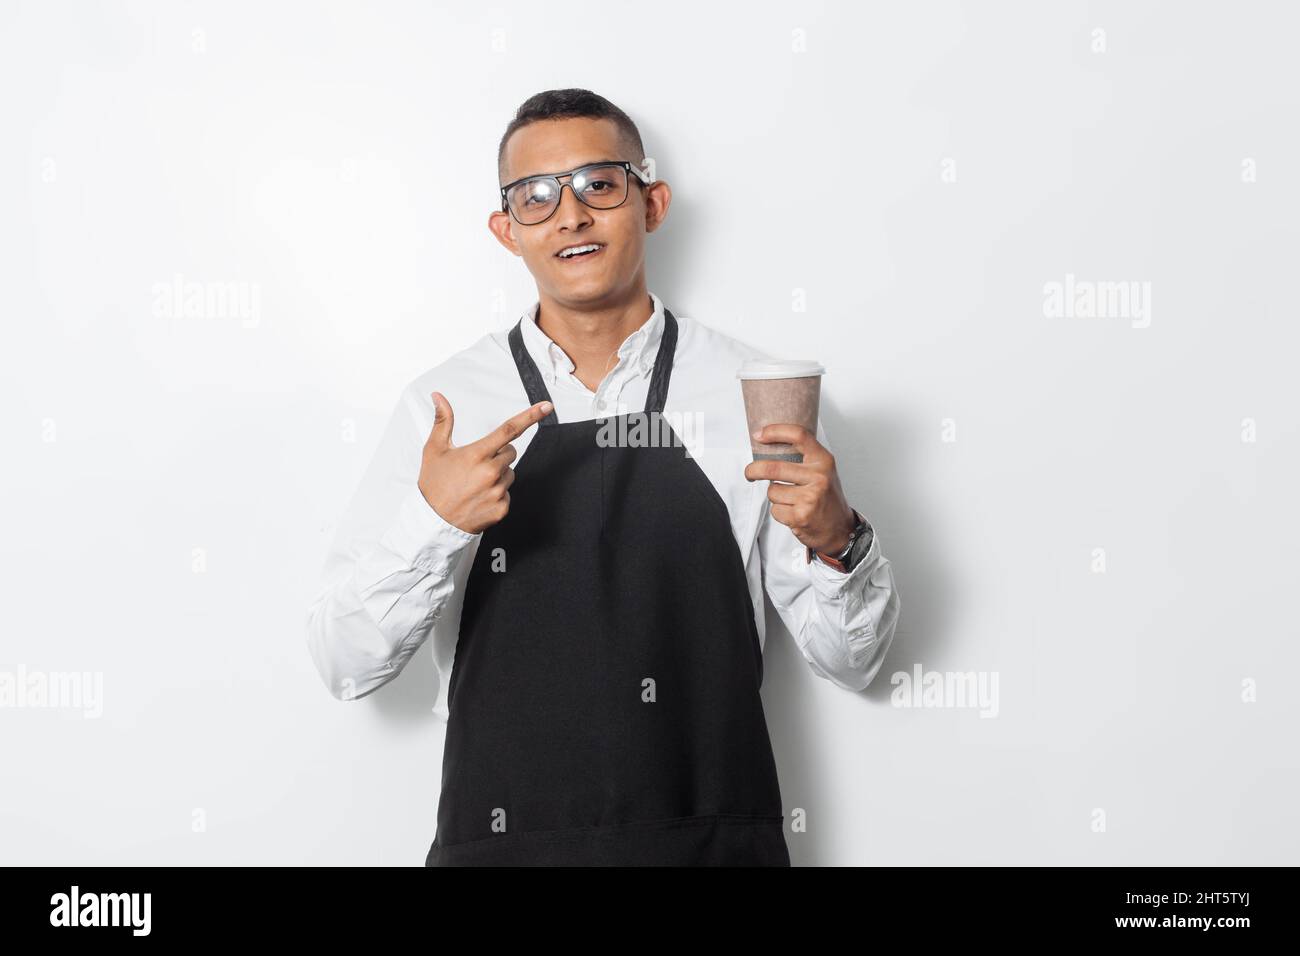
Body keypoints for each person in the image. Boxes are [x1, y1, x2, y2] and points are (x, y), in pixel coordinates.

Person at [306, 88, 900, 866]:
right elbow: (344, 665)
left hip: (714, 848)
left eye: (599, 183)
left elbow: (856, 663)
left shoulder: (755, 393)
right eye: (536, 196)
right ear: (505, 229)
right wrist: (434, 519)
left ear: (651, 203)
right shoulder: (444, 408)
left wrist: (838, 541)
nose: (570, 215)